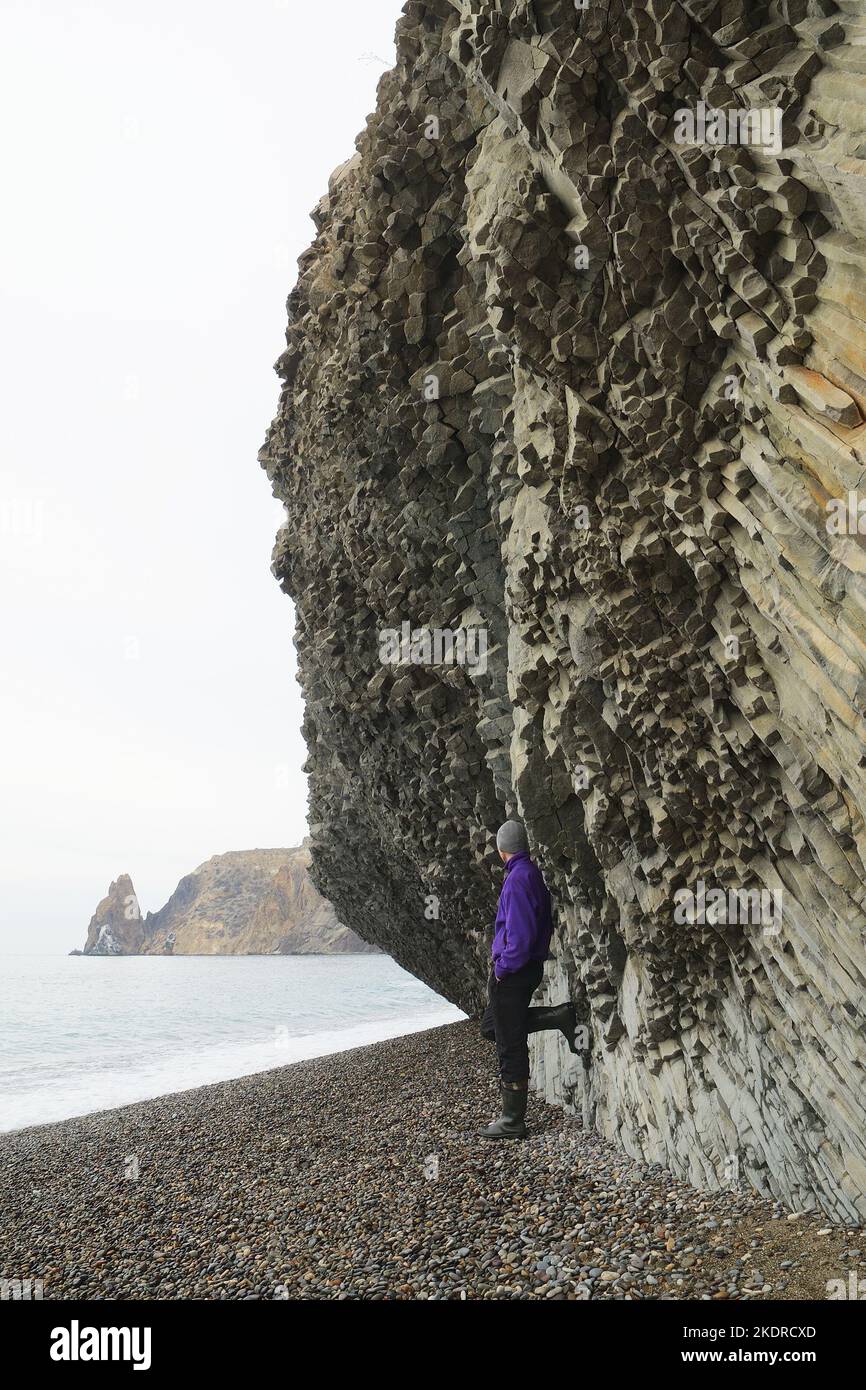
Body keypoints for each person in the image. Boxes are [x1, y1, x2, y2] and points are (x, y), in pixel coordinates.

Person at [479, 820, 579, 1140]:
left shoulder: (518, 880)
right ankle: (560, 1015)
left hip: (515, 971)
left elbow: (519, 936)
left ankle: (513, 1120)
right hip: (525, 967)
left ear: (501, 850)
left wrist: (503, 967)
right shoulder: (529, 874)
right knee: (494, 1027)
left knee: (510, 1044)